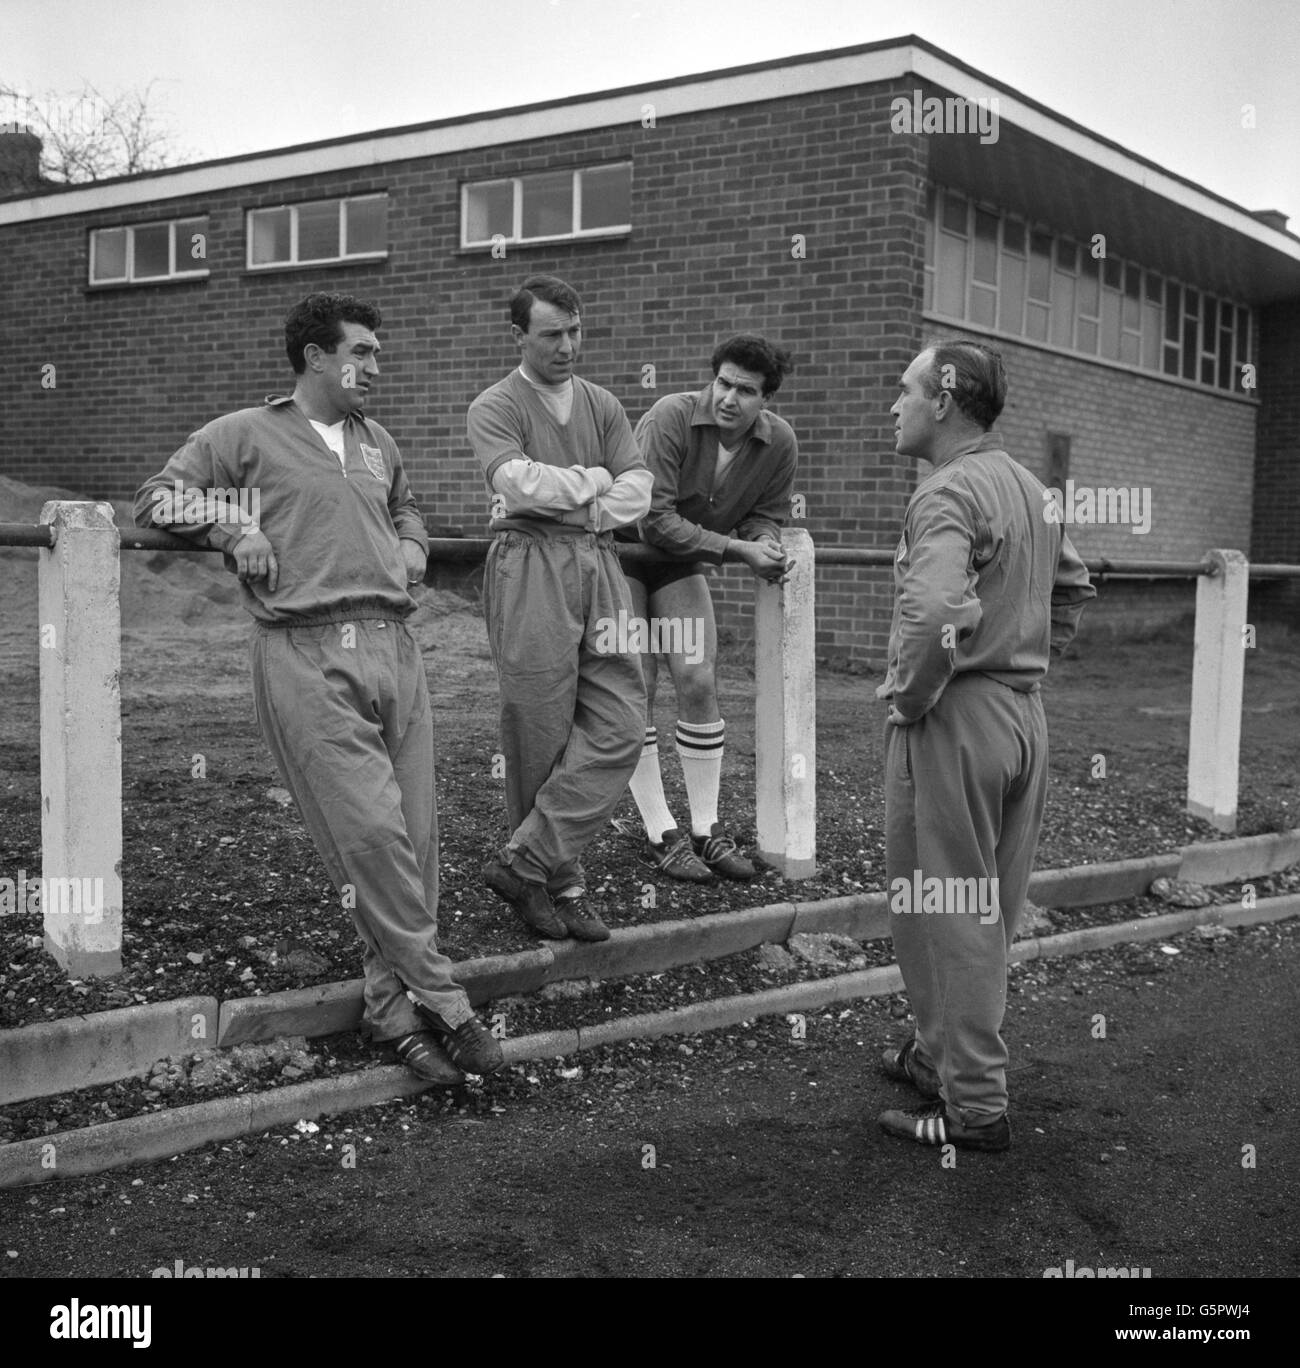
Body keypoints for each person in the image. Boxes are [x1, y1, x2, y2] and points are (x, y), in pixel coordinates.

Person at [133, 292, 502, 1086]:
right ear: (315, 359)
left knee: (413, 842)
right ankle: (446, 1002)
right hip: (304, 649)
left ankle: (389, 1013)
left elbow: (408, 510)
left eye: (376, 352)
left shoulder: (379, 441)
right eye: (362, 352)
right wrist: (237, 528)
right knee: (369, 836)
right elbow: (158, 496)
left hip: (396, 648)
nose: (376, 366)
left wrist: (410, 541)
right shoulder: (243, 434)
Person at [875, 340, 1095, 1152]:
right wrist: (1023, 655)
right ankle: (947, 1060)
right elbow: (1071, 587)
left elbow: (935, 611)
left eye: (904, 391)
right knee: (985, 912)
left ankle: (973, 1112)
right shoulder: (1030, 488)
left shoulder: (946, 491)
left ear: (944, 399)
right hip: (1023, 718)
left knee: (945, 917)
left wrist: (913, 695)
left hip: (957, 721)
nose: (892, 406)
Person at [467, 274, 652, 944]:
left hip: (599, 564)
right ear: (519, 336)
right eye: (552, 334)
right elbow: (517, 484)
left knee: (623, 720)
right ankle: (559, 885)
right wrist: (597, 482)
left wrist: (584, 496)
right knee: (541, 729)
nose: (568, 345)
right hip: (529, 564)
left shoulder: (602, 405)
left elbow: (640, 489)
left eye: (575, 331)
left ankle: (524, 862)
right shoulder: (495, 405)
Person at [619, 335, 797, 882]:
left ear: (765, 399)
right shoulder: (670, 415)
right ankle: (660, 831)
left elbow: (765, 514)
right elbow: (654, 519)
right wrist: (737, 550)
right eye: (722, 382)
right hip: (622, 552)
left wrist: (764, 540)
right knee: (636, 680)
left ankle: (706, 829)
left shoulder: (779, 443)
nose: (729, 398)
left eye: (746, 390)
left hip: (680, 561)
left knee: (697, 679)